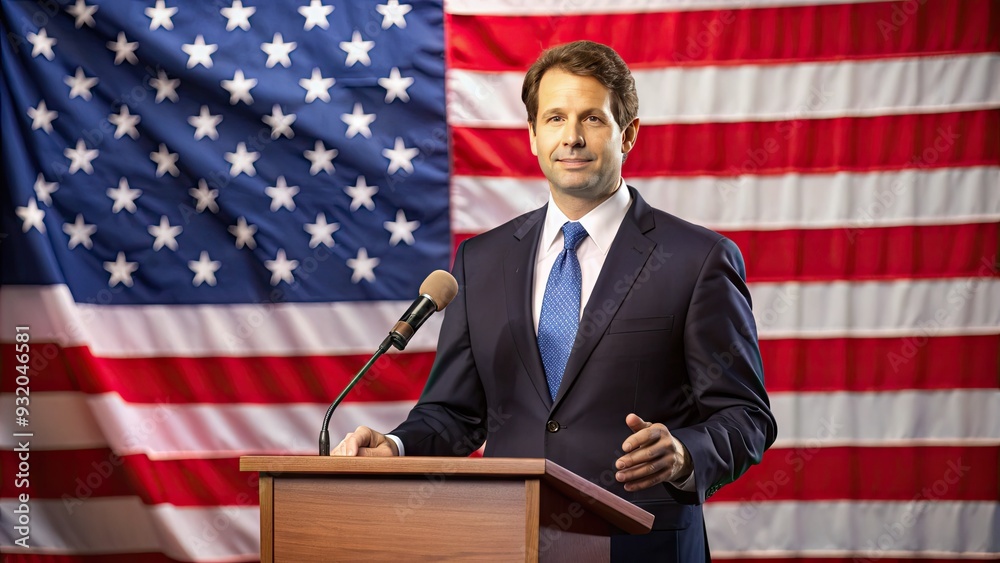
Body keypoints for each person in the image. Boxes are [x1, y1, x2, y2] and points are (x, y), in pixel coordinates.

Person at [334, 40, 776, 561]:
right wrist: (397, 446)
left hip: (639, 546)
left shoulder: (696, 259)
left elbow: (746, 416)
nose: (571, 137)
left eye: (592, 118)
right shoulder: (481, 260)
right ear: (532, 135)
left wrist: (683, 454)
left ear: (627, 133)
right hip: (505, 542)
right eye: (555, 118)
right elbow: (454, 413)